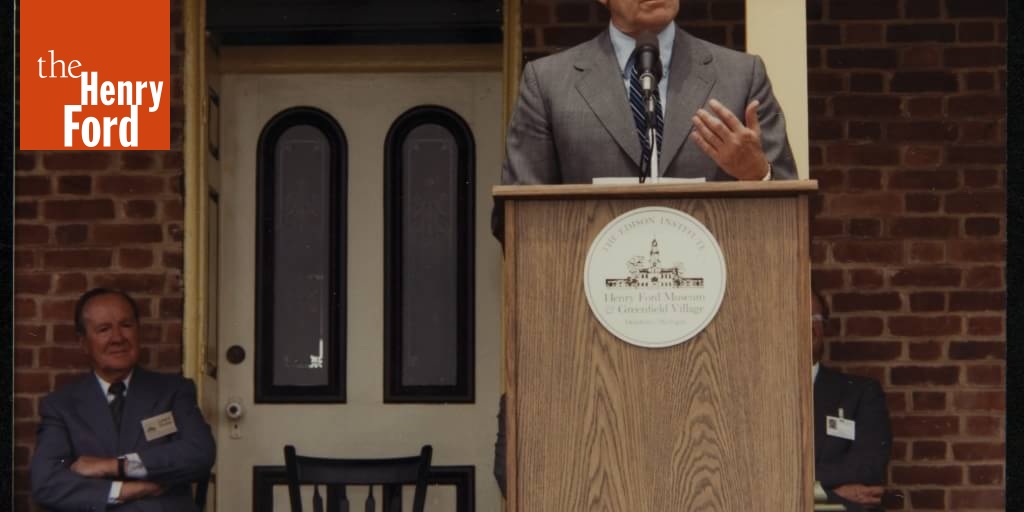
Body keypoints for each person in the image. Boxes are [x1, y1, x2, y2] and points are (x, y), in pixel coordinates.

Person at [493, 0, 797, 239]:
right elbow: (515, 220)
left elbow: (795, 215)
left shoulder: (742, 76)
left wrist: (757, 175)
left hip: (720, 300)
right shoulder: (547, 83)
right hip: (590, 304)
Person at [30, 288, 215, 511]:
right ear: (83, 343)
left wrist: (115, 466)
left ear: (139, 331)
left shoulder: (173, 390)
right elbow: (46, 483)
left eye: (126, 325)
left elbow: (200, 453)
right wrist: (127, 491)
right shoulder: (61, 406)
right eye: (104, 329)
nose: (117, 338)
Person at [812, 289, 892, 511]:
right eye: (798, 318)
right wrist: (824, 494)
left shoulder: (860, 393)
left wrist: (801, 486)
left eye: (815, 319)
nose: (809, 328)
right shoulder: (754, 400)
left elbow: (868, 467)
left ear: (825, 328)